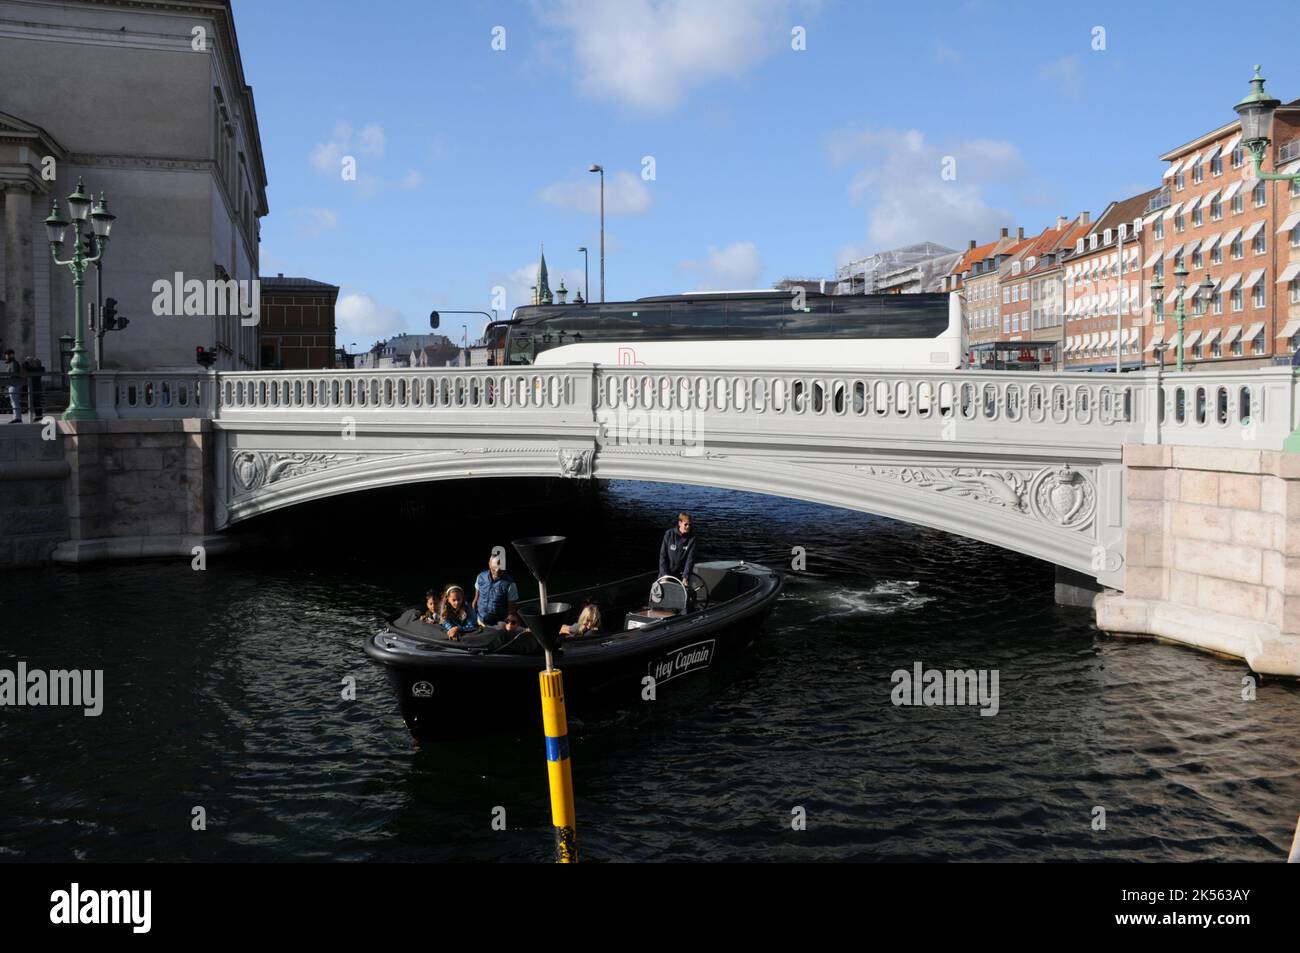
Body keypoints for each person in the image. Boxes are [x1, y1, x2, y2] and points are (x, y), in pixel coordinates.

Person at [473, 553, 518, 626]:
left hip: (498, 624)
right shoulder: (480, 577)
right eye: (496, 565)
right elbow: (476, 596)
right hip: (479, 620)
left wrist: (509, 622)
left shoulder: (510, 584)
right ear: (489, 564)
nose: (497, 569)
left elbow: (511, 609)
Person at [658, 511, 697, 583]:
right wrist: (664, 575)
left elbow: (690, 559)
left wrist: (686, 577)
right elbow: (663, 556)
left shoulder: (692, 538)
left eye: (690, 525)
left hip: (681, 576)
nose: (688, 527)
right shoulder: (669, 534)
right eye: (686, 524)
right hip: (666, 574)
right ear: (680, 523)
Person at [3, 349, 22, 423]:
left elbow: (13, 374)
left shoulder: (13, 363)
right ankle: (16, 417)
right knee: (13, 402)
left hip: (14, 385)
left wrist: (6, 379)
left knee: (15, 402)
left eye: (7, 355)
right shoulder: (11, 363)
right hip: (12, 385)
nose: (6, 356)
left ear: (11, 355)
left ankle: (17, 418)